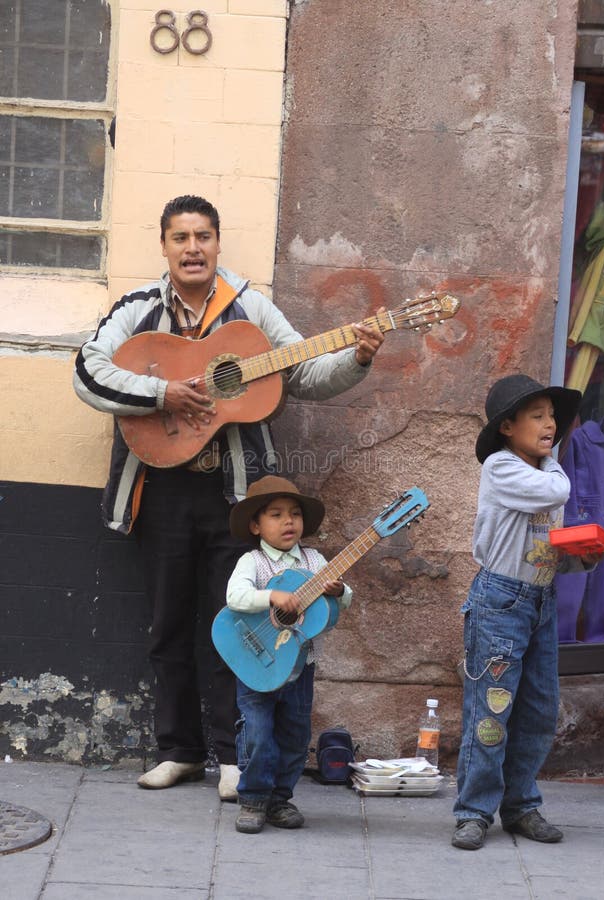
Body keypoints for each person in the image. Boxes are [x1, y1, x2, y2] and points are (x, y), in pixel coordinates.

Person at [73, 195, 383, 798]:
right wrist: (161, 395)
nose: (193, 247)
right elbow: (89, 371)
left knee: (235, 618)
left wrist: (358, 357)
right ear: (164, 246)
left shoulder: (251, 310)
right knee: (166, 623)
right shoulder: (136, 310)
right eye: (181, 237)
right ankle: (178, 751)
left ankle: (233, 755)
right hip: (159, 488)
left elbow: (307, 376)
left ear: (218, 245)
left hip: (234, 498)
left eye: (204, 237)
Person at [452, 374, 604, 851]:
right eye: (537, 416)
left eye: (553, 416)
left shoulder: (541, 470)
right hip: (500, 602)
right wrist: (555, 463)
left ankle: (521, 805)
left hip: (538, 600)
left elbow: (543, 541)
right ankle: (474, 811)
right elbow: (555, 494)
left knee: (539, 711)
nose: (550, 424)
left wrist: (578, 554)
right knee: (491, 709)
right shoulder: (503, 467)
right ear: (507, 427)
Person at [225, 475, 352, 833]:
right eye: (276, 515)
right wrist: (271, 597)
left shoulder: (314, 561)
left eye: (295, 514)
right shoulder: (252, 562)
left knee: (295, 735)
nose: (288, 522)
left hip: (300, 666)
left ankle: (280, 799)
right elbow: (235, 597)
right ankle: (252, 799)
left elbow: (346, 600)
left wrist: (339, 590)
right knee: (258, 732)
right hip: (256, 663)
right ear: (255, 525)